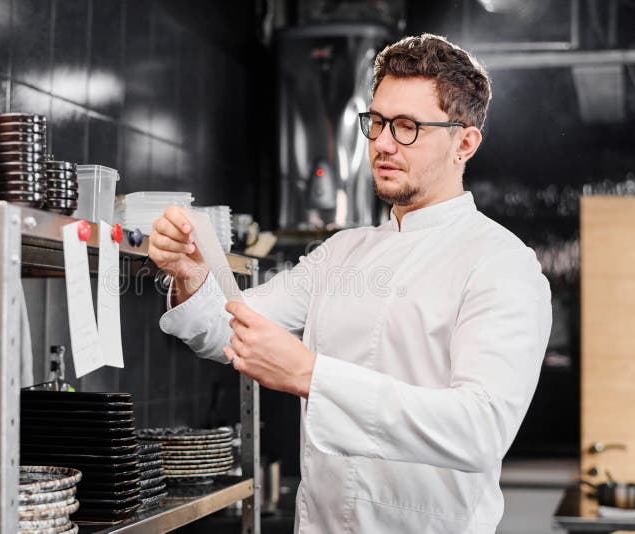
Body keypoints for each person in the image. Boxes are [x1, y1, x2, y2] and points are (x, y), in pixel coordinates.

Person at [150, 33, 552, 533]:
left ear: (464, 143)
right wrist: (191, 275)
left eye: (408, 127)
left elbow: (480, 429)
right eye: (378, 122)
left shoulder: (501, 264)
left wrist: (310, 376)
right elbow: (227, 328)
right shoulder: (342, 253)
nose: (382, 143)